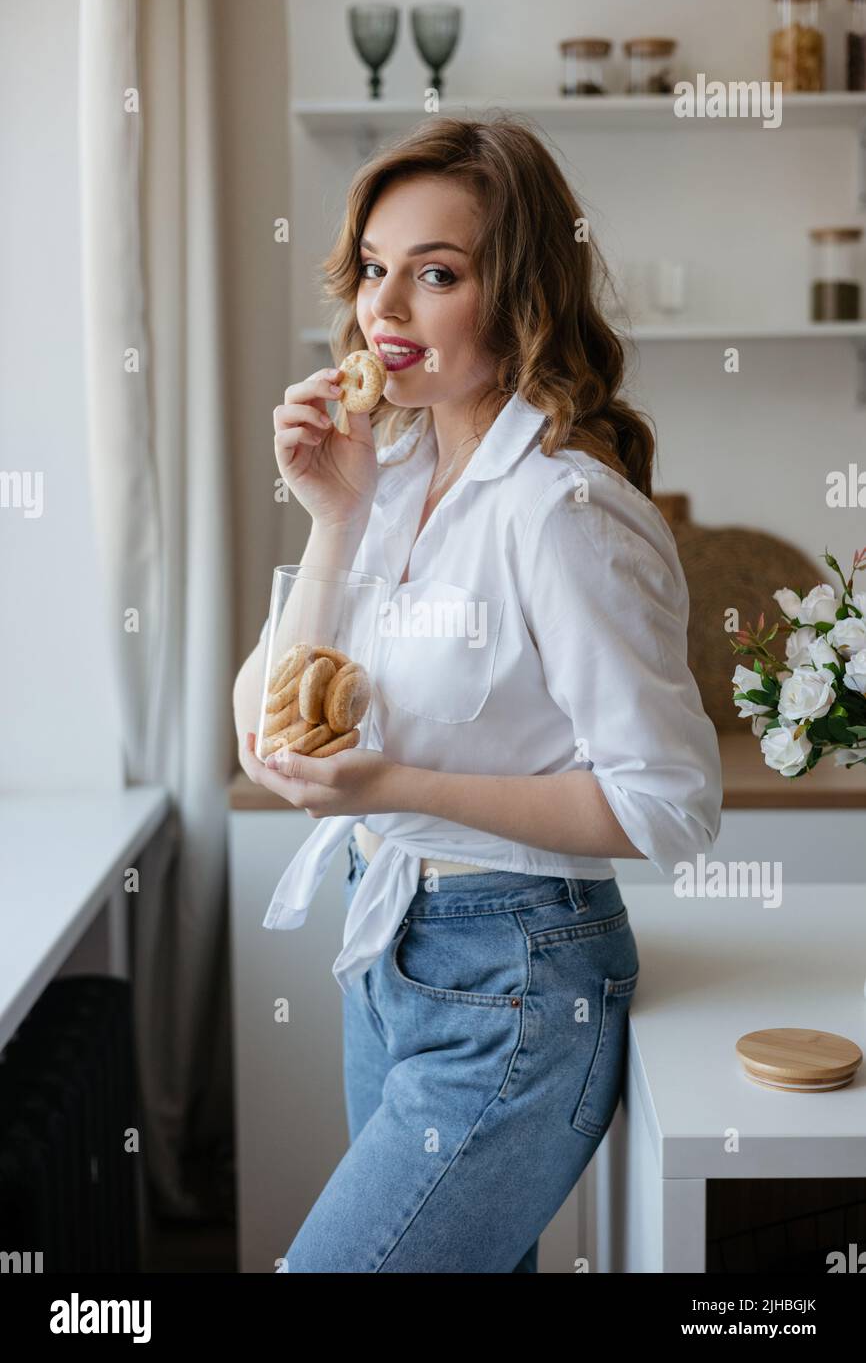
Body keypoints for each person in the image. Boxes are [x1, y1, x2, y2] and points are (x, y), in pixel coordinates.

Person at [233, 114, 723, 1273]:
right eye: (372, 269)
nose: (384, 310)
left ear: (517, 297)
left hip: (517, 975)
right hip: (387, 950)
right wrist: (332, 517)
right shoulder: (385, 475)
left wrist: (391, 783)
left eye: (435, 274)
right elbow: (269, 725)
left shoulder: (563, 513)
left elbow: (666, 804)